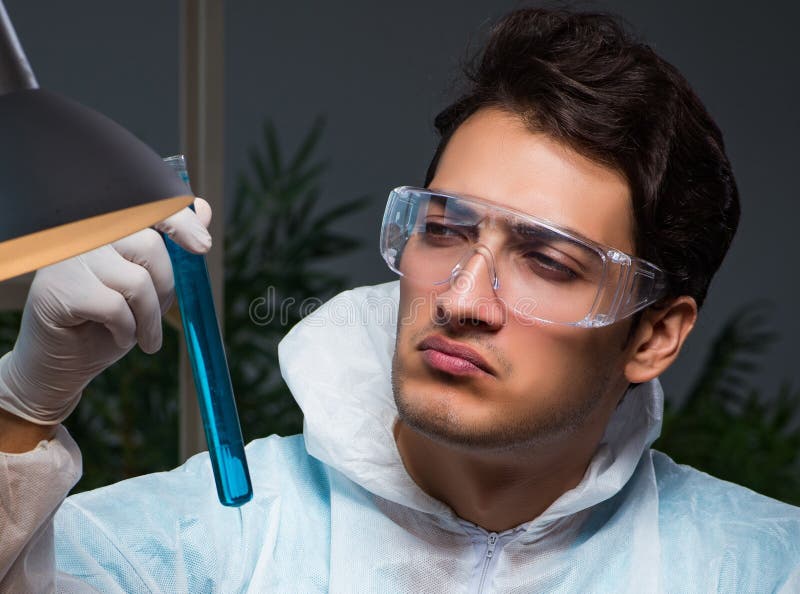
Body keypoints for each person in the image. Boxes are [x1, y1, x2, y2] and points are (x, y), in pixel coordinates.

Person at [2, 7, 799, 593]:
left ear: (654, 335)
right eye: (446, 230)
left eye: (547, 262)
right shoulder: (214, 535)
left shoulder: (761, 568)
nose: (461, 300)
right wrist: (21, 409)